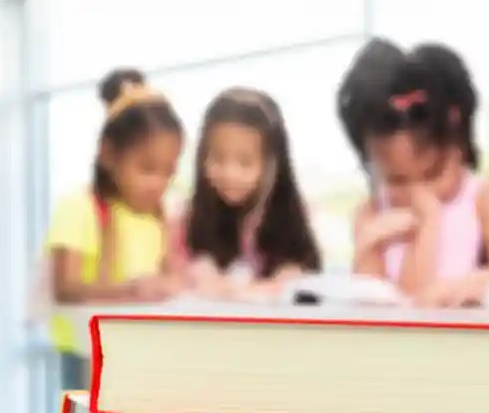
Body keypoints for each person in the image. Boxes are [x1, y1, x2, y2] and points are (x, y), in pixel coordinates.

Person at [337, 38, 489, 306]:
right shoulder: (371, 216)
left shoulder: (484, 198)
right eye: (396, 180)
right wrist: (372, 243)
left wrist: (467, 285)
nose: (418, 192)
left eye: (432, 174)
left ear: (458, 145)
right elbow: (376, 306)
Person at [44, 68, 185, 390]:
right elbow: (65, 289)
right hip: (87, 354)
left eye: (168, 171)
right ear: (109, 154)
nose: (159, 183)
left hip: (144, 353)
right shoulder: (79, 207)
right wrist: (131, 292)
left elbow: (172, 278)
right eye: (147, 168)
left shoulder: (158, 218)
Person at [171, 87, 321, 301]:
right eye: (218, 158)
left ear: (272, 164)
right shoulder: (185, 221)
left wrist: (262, 289)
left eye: (245, 162)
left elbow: (299, 283)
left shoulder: (291, 220)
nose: (230, 173)